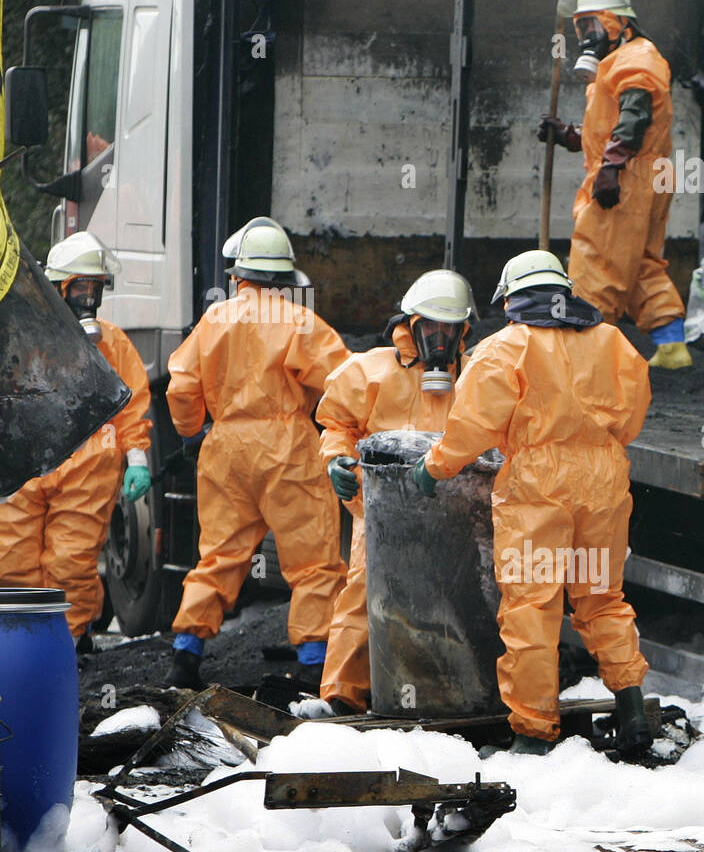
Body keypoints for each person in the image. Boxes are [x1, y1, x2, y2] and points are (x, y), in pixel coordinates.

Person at [412, 250, 653, 758]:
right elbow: (631, 420)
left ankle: (532, 734)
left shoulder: (503, 349)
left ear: (511, 297)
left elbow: (470, 428)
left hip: (537, 488)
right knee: (602, 596)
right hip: (604, 480)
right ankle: (631, 705)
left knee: (532, 606)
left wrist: (433, 468)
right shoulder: (613, 341)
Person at [164, 217, 348, 689]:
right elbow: (344, 382)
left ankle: (186, 651)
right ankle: (313, 660)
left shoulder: (214, 320)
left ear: (238, 275)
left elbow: (182, 385)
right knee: (313, 560)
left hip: (226, 447)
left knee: (219, 555)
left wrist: (192, 432)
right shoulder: (300, 321)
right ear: (285, 277)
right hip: (288, 448)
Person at [311, 270, 474, 715]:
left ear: (462, 331)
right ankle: (342, 695)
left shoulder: (478, 375)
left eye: (448, 328)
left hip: (454, 513)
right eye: (430, 328)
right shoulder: (371, 370)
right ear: (409, 325)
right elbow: (336, 423)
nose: (438, 339)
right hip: (381, 513)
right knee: (365, 593)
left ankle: (461, 695)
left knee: (459, 599)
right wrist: (336, 460)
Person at [0, 232, 152, 652]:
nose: (88, 297)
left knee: (72, 563)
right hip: (22, 466)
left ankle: (68, 646)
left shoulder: (112, 344)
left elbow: (131, 405)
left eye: (95, 287)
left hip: (87, 469)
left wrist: (137, 460)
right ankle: (15, 645)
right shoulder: (16, 336)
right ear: (56, 286)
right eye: (80, 286)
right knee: (11, 558)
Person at [540, 0, 691, 370]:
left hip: (627, 176)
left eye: (592, 23)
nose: (586, 33)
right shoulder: (624, 61)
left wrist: (611, 169)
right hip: (641, 173)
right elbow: (612, 127)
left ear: (618, 22)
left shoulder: (635, 60)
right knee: (640, 262)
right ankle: (672, 344)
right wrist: (570, 136)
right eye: (581, 26)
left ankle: (587, 350)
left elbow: (634, 120)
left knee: (597, 260)